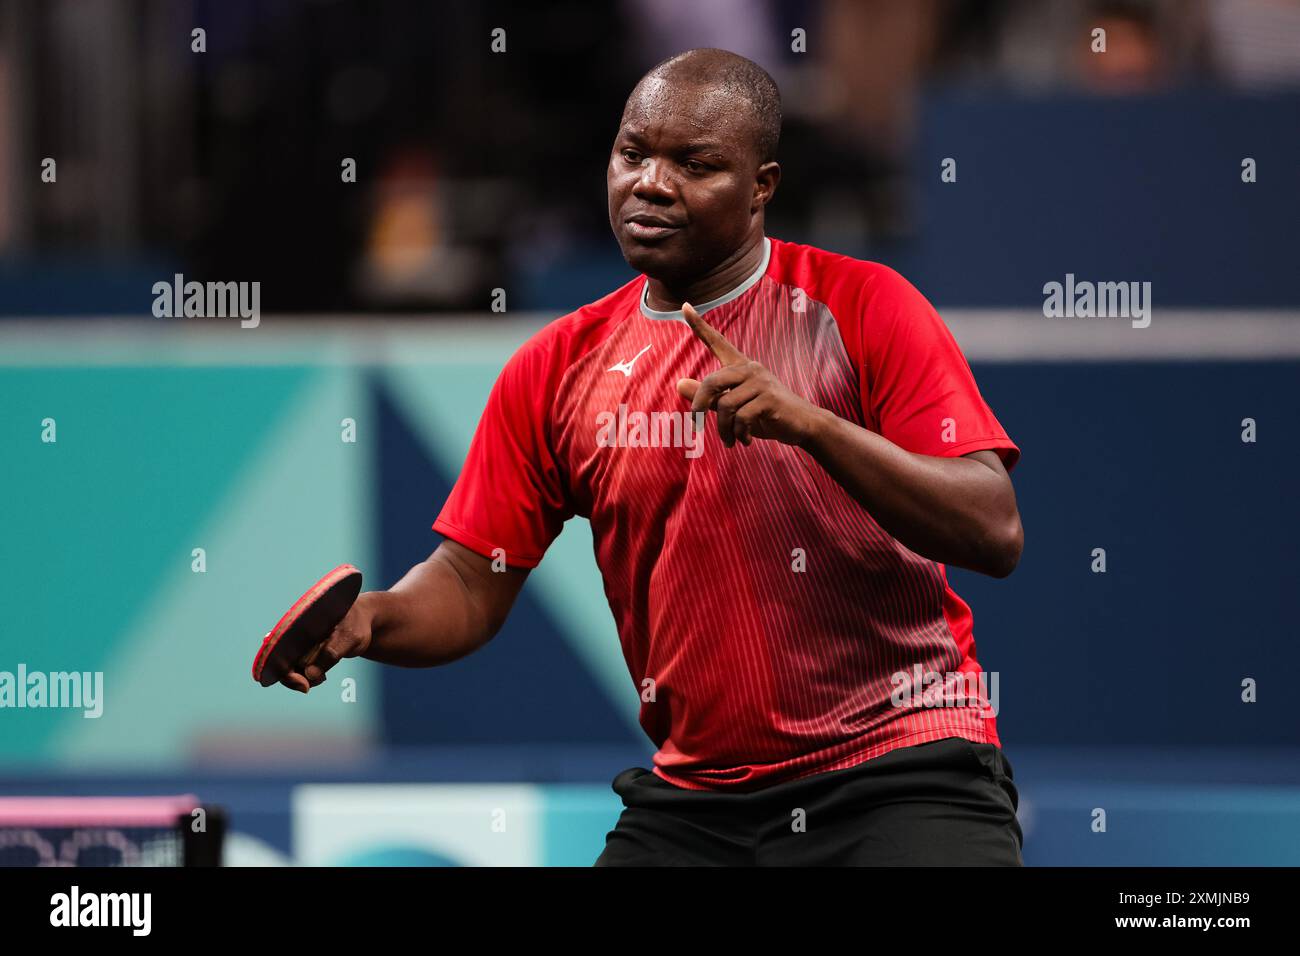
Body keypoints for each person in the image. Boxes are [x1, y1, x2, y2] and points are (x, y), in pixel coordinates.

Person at [280, 48, 1025, 866]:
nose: (652, 183)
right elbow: (468, 580)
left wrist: (812, 426)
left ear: (762, 187)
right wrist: (369, 622)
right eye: (633, 153)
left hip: (900, 772)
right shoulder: (558, 367)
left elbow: (992, 528)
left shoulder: (862, 307)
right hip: (700, 805)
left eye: (696, 165)